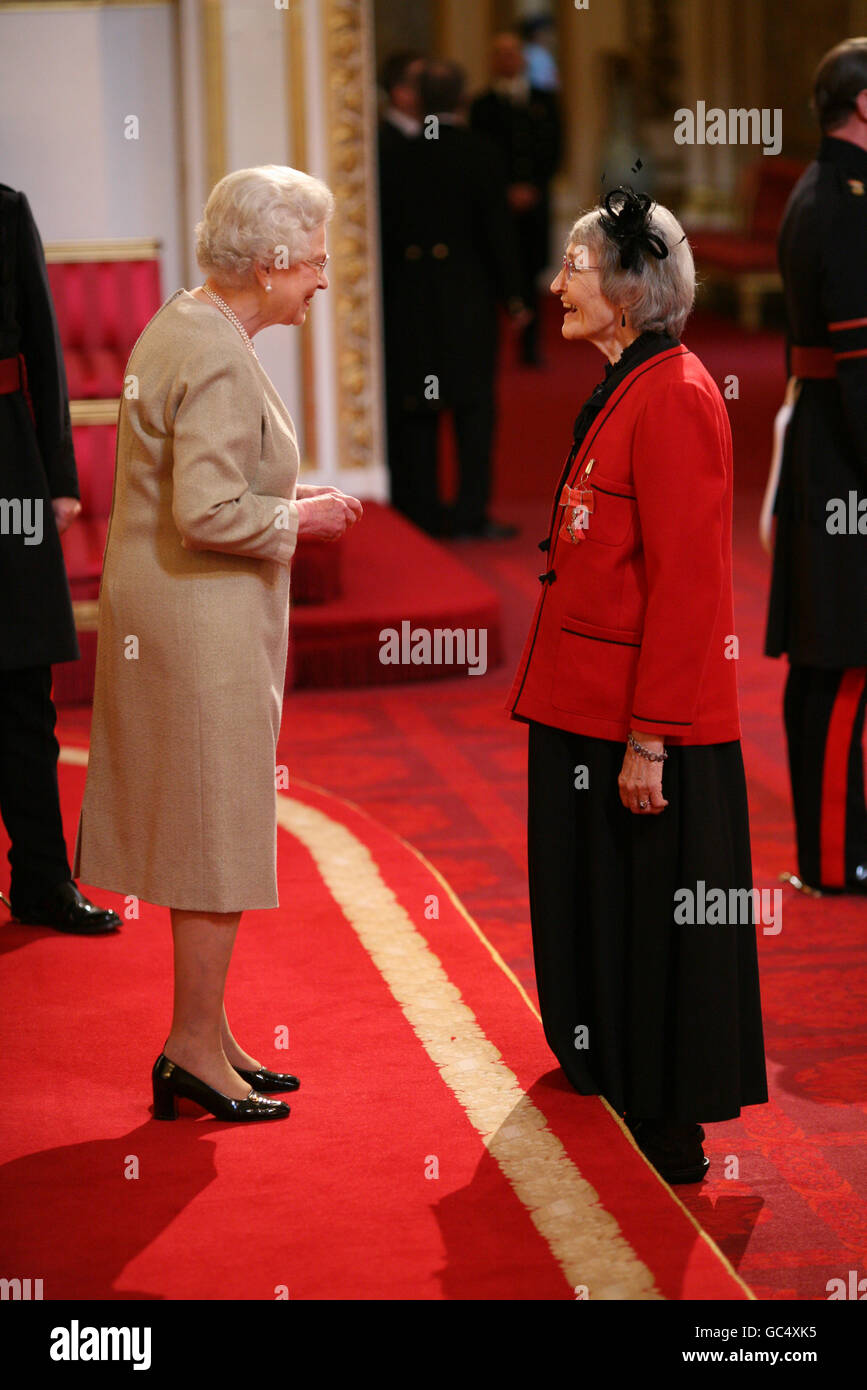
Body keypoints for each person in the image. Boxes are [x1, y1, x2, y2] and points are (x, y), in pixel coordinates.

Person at [74, 166, 362, 1123]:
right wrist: (303, 520)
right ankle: (192, 1050)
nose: (322, 279)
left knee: (210, 826)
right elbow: (207, 511)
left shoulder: (188, 322)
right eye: (315, 261)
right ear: (270, 261)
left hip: (179, 615)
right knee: (212, 833)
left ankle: (211, 1033)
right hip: (198, 623)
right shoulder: (216, 352)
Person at [507, 188, 768, 1183]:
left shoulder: (680, 394)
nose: (554, 286)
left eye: (571, 269)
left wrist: (651, 736)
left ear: (627, 288)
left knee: (657, 920)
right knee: (599, 903)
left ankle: (667, 1116)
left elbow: (691, 587)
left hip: (643, 723)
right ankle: (606, 1062)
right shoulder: (630, 379)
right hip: (584, 698)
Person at [0, 184, 120, 937]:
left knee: (21, 690)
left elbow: (42, 349)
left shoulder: (5, 211)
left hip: (6, 467)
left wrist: (60, 479)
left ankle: (43, 880)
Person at [764, 38, 867, 896]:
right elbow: (862, 363)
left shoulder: (823, 187)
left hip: (829, 445)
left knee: (836, 657)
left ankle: (840, 846)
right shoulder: (843, 201)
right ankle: (834, 859)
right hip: (847, 455)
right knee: (840, 660)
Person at [380, 58, 527, 539]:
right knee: (473, 406)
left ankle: (420, 511)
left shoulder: (396, 153)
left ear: (416, 100)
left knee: (418, 403)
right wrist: (516, 297)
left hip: (411, 298)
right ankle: (470, 512)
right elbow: (498, 233)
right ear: (463, 99)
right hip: (468, 295)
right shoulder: (480, 151)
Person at [471, 31, 562, 367]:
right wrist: (504, 191)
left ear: (522, 58)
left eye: (512, 52)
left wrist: (532, 187)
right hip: (498, 206)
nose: (507, 59)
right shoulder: (482, 106)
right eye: (500, 53)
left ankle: (530, 349)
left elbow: (555, 148)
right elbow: (481, 156)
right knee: (497, 270)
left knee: (534, 272)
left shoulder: (544, 100)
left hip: (536, 203)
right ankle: (492, 347)